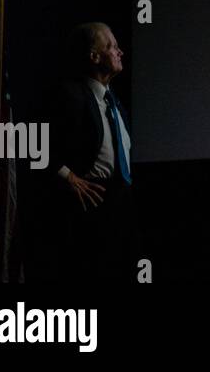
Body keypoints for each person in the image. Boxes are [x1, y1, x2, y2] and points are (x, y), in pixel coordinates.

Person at [41, 22, 139, 283]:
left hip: (121, 205)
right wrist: (67, 177)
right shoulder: (69, 95)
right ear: (94, 56)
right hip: (92, 207)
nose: (120, 52)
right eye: (112, 46)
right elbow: (34, 143)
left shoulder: (114, 102)